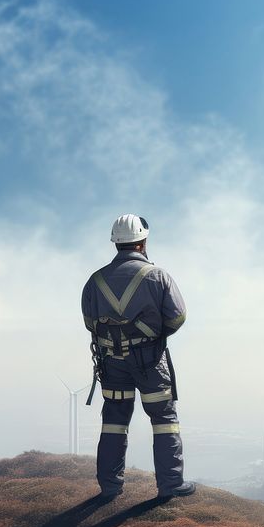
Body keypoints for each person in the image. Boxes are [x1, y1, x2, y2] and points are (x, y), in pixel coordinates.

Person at [81, 214, 194, 500]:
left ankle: (110, 487)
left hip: (111, 362)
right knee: (164, 419)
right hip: (150, 362)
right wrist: (151, 336)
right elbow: (178, 317)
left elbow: (89, 322)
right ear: (142, 242)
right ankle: (170, 485)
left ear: (116, 243)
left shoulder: (95, 281)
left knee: (114, 420)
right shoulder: (157, 276)